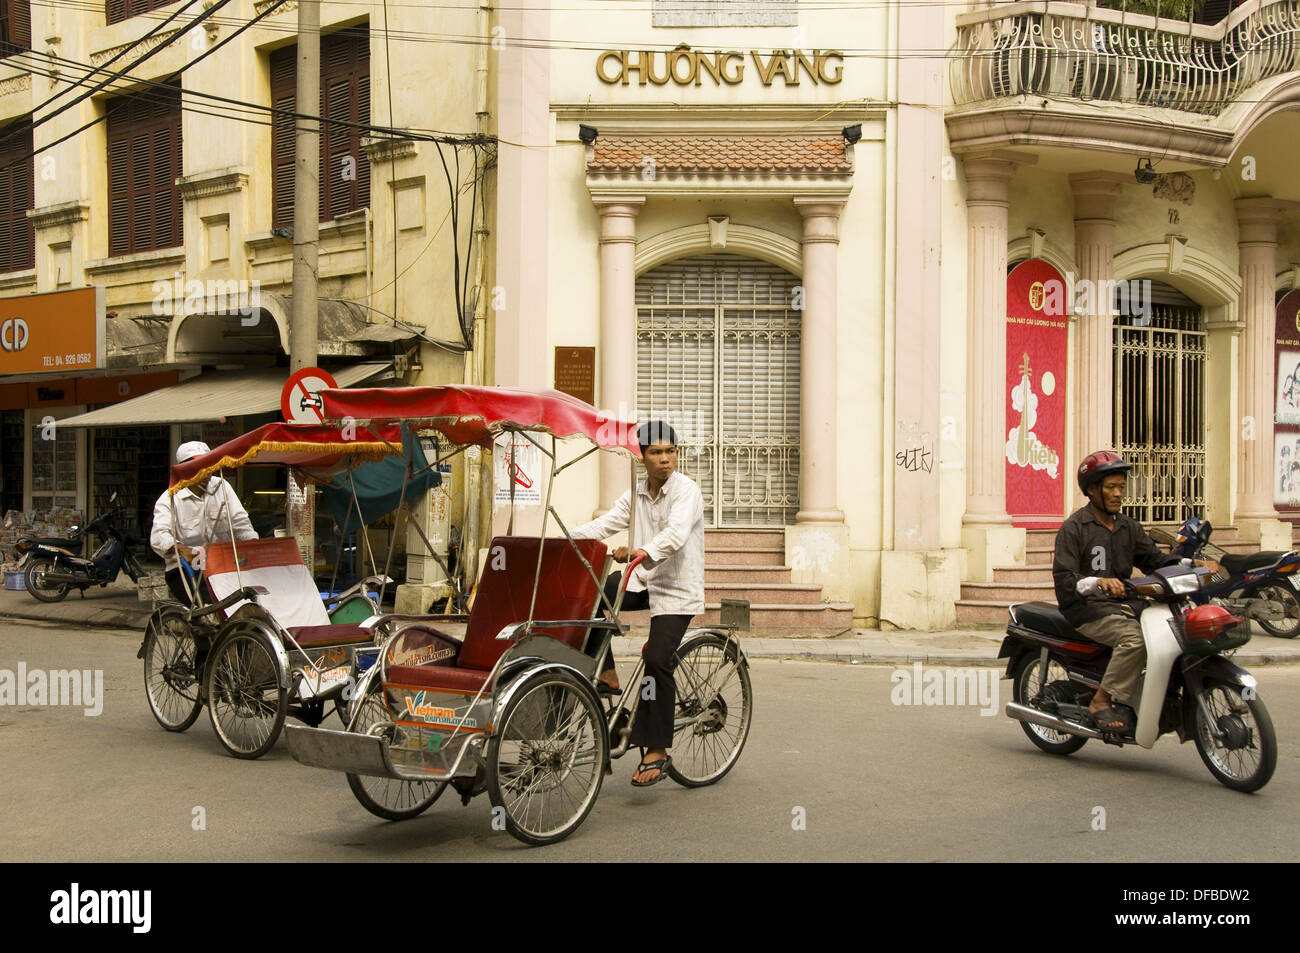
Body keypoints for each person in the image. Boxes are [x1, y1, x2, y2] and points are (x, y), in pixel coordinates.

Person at [571, 420, 705, 787]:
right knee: (590, 595)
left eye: (670, 452)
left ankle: (657, 748)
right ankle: (608, 672)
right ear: (641, 456)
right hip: (642, 577)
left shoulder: (686, 491)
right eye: (656, 452)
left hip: (677, 587)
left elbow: (675, 534)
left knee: (657, 659)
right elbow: (604, 525)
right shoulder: (635, 495)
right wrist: (561, 540)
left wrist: (641, 549)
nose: (665, 460)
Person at [1052, 450, 1218, 735]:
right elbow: (1065, 579)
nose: (1118, 494)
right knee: (1134, 640)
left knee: (1172, 634)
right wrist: (1097, 582)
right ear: (1092, 490)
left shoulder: (1128, 526)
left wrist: (1193, 563)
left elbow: (1155, 560)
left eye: (1121, 487)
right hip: (1088, 608)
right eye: (1111, 488)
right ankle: (1101, 701)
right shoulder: (1074, 528)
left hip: (1125, 602)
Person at [150, 441, 258, 604]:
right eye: (200, 466)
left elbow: (240, 523)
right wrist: (180, 549)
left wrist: (254, 545)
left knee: (250, 598)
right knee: (210, 606)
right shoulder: (169, 498)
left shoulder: (222, 487)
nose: (206, 471)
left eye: (209, 464)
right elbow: (159, 535)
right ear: (184, 469)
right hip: (188, 567)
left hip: (223, 563)